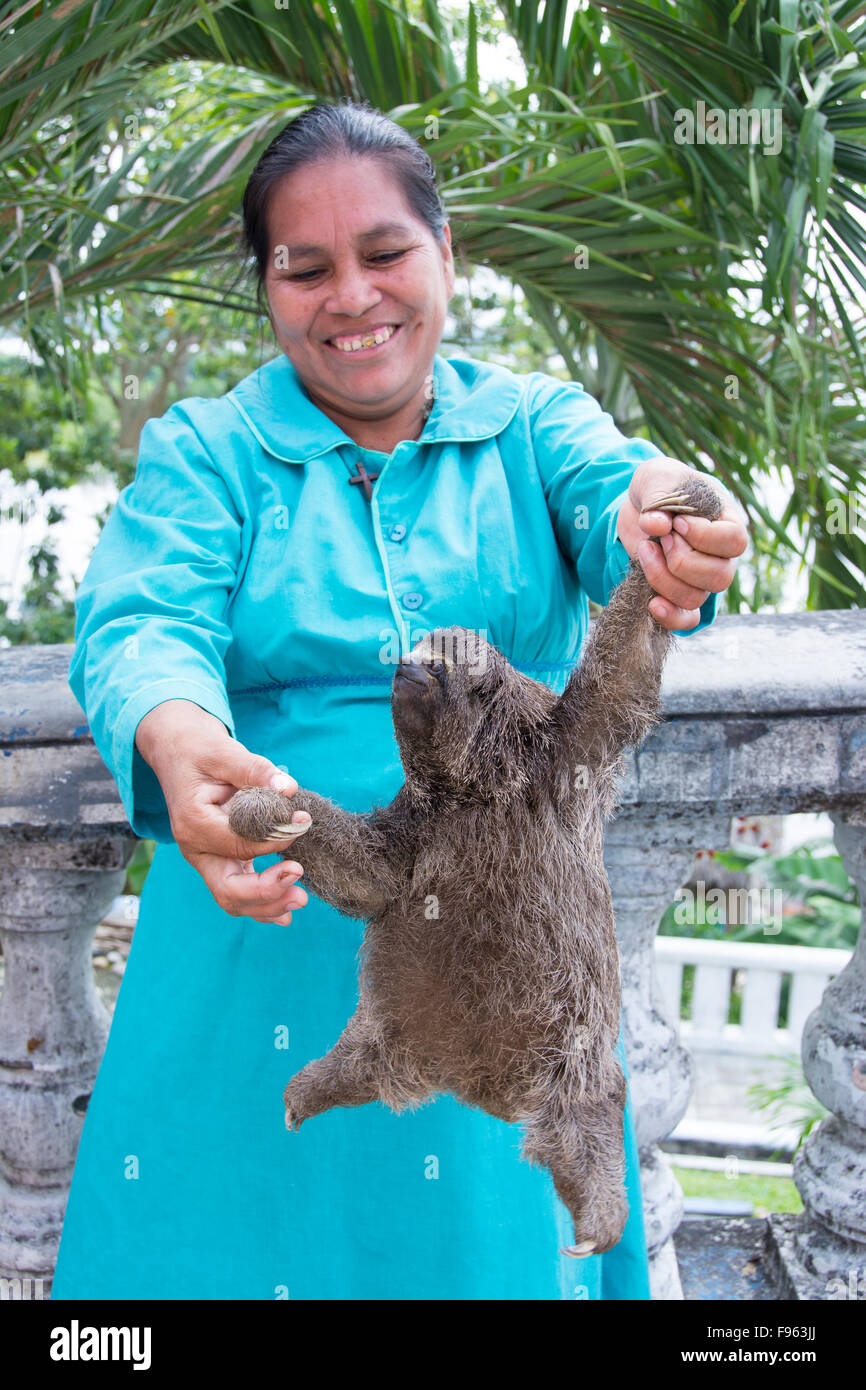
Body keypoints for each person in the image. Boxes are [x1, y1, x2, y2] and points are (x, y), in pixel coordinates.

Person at [51, 100, 747, 1301]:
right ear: (264, 290)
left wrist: (671, 513)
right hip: (248, 944)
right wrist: (176, 734)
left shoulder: (530, 427)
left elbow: (615, 496)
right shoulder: (206, 454)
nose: (352, 296)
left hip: (504, 984)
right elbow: (141, 619)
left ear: (445, 255)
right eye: (304, 268)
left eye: (385, 254)